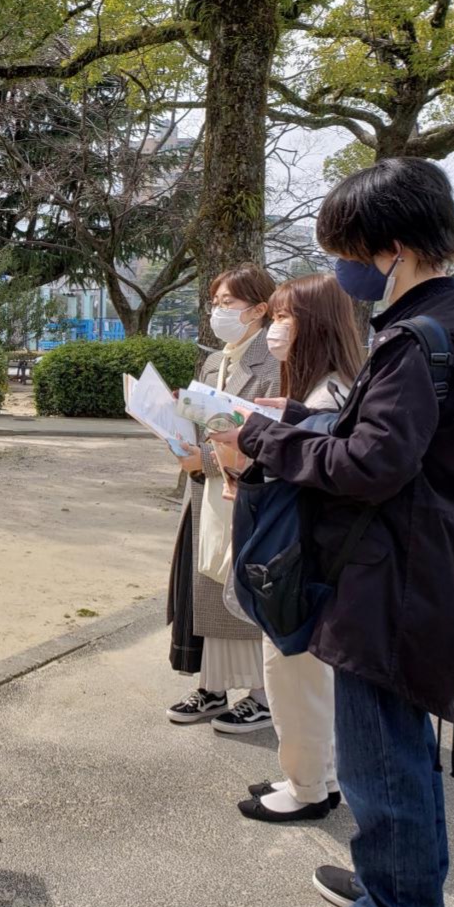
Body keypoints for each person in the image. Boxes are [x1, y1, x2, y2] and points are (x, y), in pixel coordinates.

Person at [212, 158, 454, 907]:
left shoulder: (418, 339)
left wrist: (266, 444)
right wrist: (311, 421)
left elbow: (371, 465)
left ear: (391, 246)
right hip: (423, 568)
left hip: (392, 579)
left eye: (344, 251)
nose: (339, 269)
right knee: (398, 748)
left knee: (381, 757)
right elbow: (394, 441)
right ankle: (394, 883)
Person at [235, 273, 364, 825]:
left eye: (286, 318)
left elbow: (308, 477)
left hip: (300, 560)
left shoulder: (327, 394)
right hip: (309, 557)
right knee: (305, 676)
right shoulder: (328, 389)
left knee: (294, 673)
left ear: (316, 325)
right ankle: (317, 776)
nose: (276, 329)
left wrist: (245, 451)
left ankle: (307, 789)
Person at [165, 263, 280, 734]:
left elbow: (265, 440)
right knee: (209, 589)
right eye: (215, 302)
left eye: (228, 303)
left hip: (244, 495)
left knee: (241, 588)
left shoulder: (274, 364)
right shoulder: (216, 361)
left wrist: (206, 462)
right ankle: (214, 686)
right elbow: (205, 425)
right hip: (207, 495)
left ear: (259, 309)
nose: (219, 312)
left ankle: (260, 696)